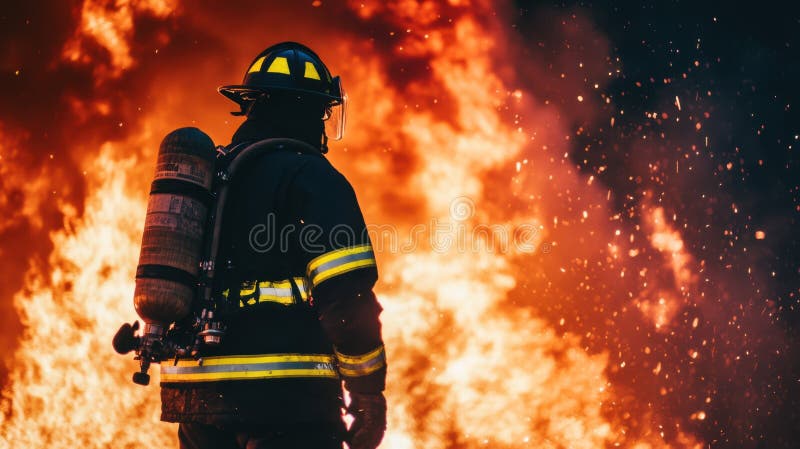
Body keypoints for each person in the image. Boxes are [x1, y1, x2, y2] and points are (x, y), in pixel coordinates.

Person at [158, 42, 387, 449]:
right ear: (313, 111)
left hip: (197, 400)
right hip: (288, 402)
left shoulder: (212, 174)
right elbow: (346, 295)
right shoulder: (312, 177)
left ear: (251, 107)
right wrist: (367, 391)